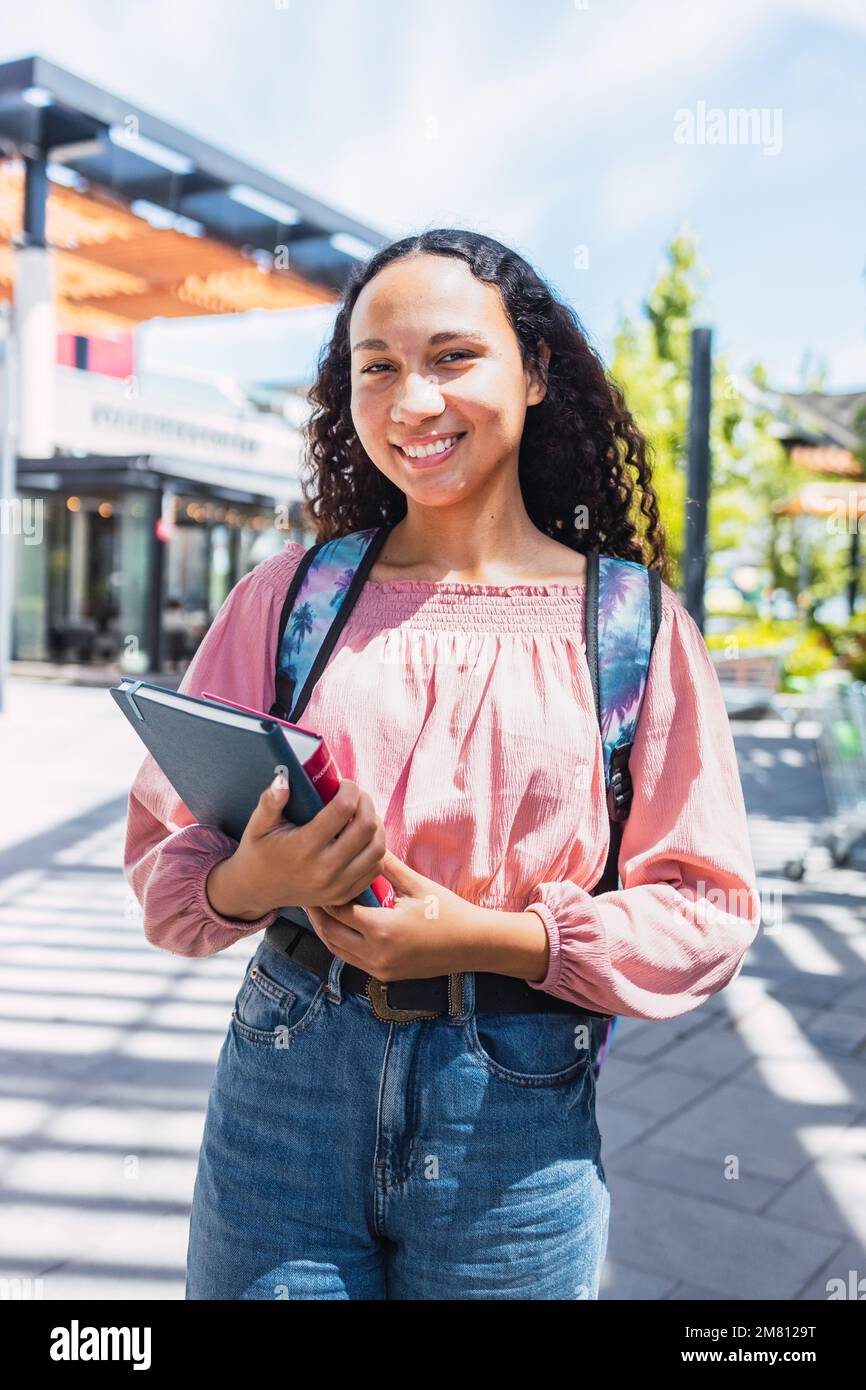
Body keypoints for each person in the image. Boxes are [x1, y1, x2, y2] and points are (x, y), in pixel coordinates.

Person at [123, 228, 762, 1301]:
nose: (412, 401)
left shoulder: (629, 626)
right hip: (285, 1083)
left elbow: (707, 906)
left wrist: (492, 936)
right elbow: (169, 856)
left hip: (510, 1113)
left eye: (452, 357)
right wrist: (256, 883)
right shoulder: (286, 599)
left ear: (535, 368)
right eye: (376, 366)